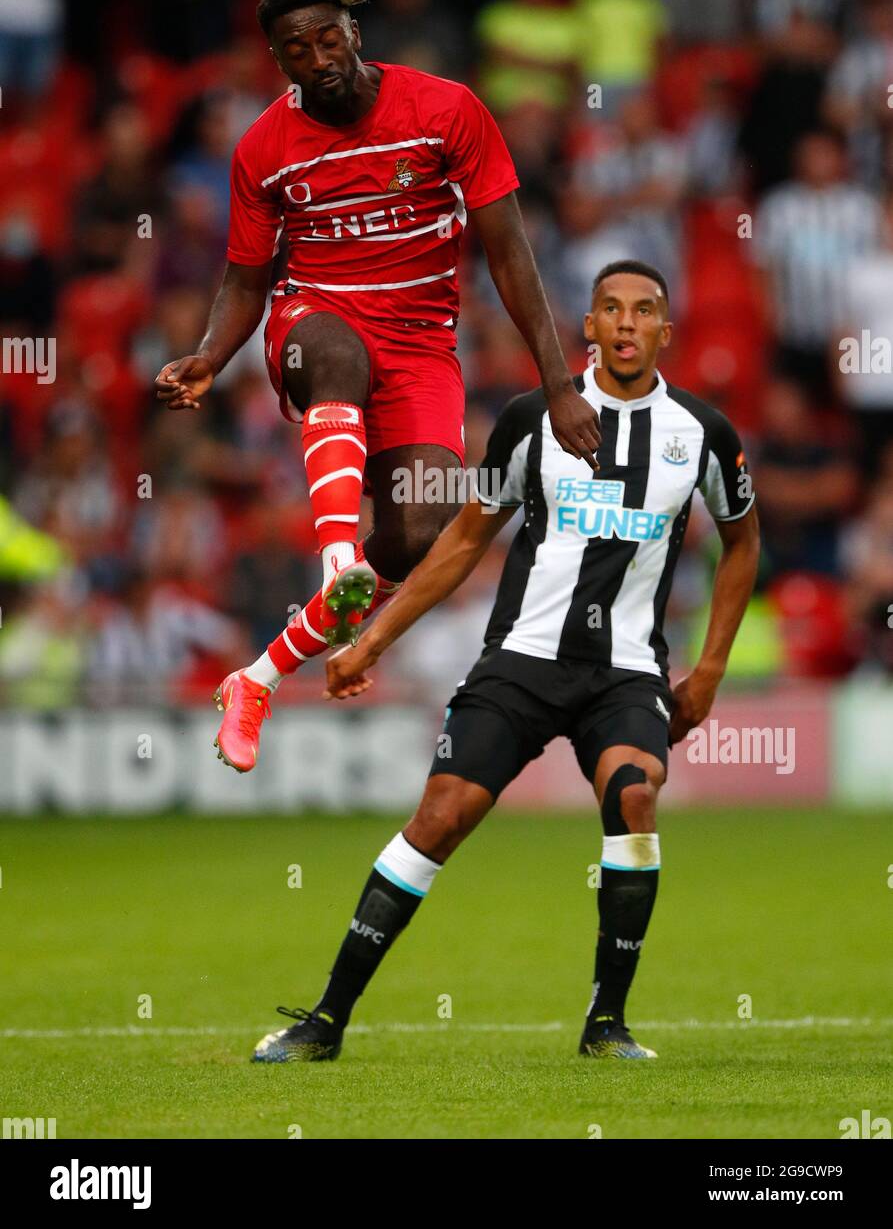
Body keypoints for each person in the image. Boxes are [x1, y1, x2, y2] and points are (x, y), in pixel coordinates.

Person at [250, 260, 761, 1064]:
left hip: (624, 673)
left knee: (633, 796)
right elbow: (461, 540)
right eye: (610, 310)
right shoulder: (531, 419)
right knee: (438, 820)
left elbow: (742, 543)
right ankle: (325, 1019)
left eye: (645, 311)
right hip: (520, 659)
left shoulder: (701, 433)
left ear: (666, 330)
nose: (627, 323)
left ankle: (606, 1025)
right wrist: (371, 640)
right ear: (586, 327)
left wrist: (709, 669)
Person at [154, 0, 599, 772]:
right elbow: (246, 278)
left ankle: (256, 679)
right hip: (315, 315)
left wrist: (559, 383)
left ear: (354, 32)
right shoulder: (263, 148)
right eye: (296, 50)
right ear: (277, 60)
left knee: (420, 527)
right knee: (337, 356)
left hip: (423, 346)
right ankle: (334, 561)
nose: (317, 60)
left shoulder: (446, 110)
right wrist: (209, 356)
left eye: (328, 39)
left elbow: (509, 252)